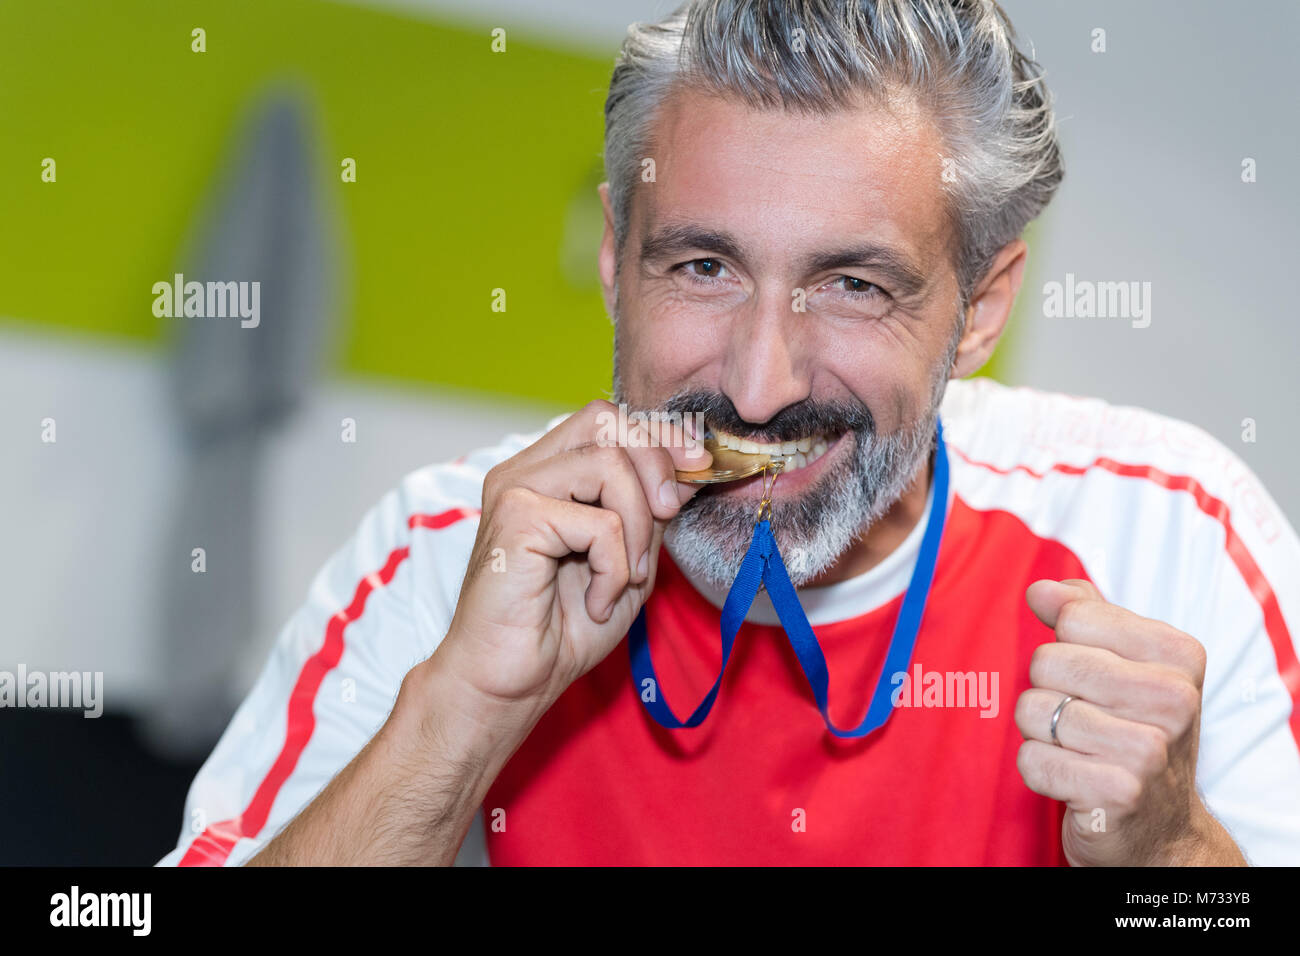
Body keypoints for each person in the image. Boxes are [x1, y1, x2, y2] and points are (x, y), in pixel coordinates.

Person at [159, 0, 1300, 866]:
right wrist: (461, 708)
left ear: (980, 308)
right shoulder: (449, 545)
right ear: (616, 258)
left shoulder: (1174, 535)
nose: (757, 388)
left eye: (853, 285)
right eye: (702, 266)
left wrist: (1167, 853)